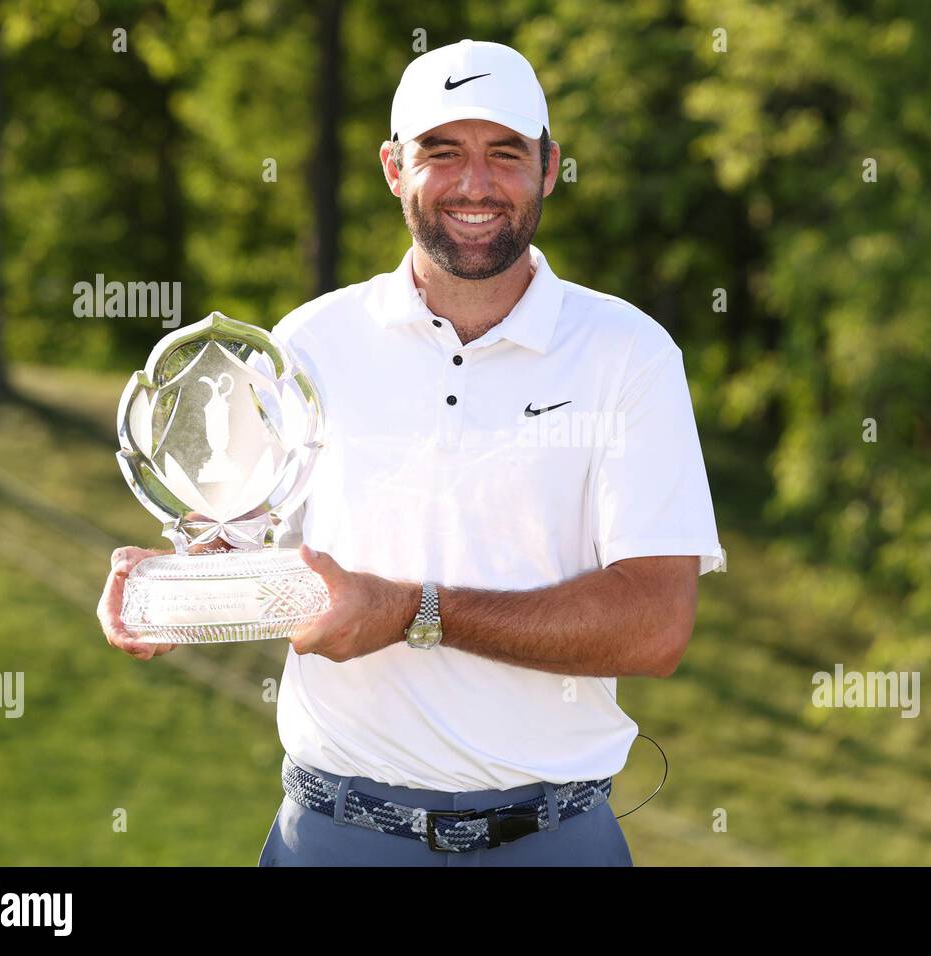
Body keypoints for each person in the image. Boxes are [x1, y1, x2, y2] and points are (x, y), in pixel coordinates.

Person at [97, 38, 725, 867]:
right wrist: (174, 586)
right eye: (442, 152)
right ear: (394, 167)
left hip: (552, 840)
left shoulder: (628, 353)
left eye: (505, 153)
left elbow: (655, 626)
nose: (475, 184)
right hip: (333, 835)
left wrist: (411, 611)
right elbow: (236, 535)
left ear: (548, 167)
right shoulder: (307, 343)